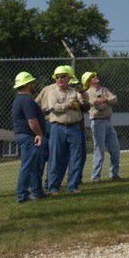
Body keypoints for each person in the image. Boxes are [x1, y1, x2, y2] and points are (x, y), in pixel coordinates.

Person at [37, 64, 85, 194]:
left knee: (76, 157)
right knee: (55, 158)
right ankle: (53, 187)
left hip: (74, 127)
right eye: (57, 77)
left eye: (63, 77)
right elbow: (55, 107)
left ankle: (72, 186)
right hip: (57, 127)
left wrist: (80, 100)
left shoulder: (73, 91)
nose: (60, 79)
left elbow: (82, 103)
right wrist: (69, 104)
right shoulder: (53, 92)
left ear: (68, 78)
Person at [11, 71, 46, 203]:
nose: (33, 84)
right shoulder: (26, 100)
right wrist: (39, 134)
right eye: (31, 82)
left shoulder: (19, 100)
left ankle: (35, 192)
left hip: (23, 136)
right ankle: (22, 196)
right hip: (27, 137)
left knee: (31, 165)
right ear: (26, 85)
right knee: (27, 166)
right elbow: (32, 121)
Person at [83, 71, 120, 182]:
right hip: (97, 121)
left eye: (95, 76)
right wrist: (106, 101)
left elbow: (114, 99)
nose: (96, 77)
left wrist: (104, 99)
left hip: (108, 121)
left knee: (115, 149)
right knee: (99, 149)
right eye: (92, 77)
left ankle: (114, 174)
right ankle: (95, 177)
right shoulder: (87, 93)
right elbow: (97, 105)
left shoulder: (104, 89)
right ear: (88, 81)